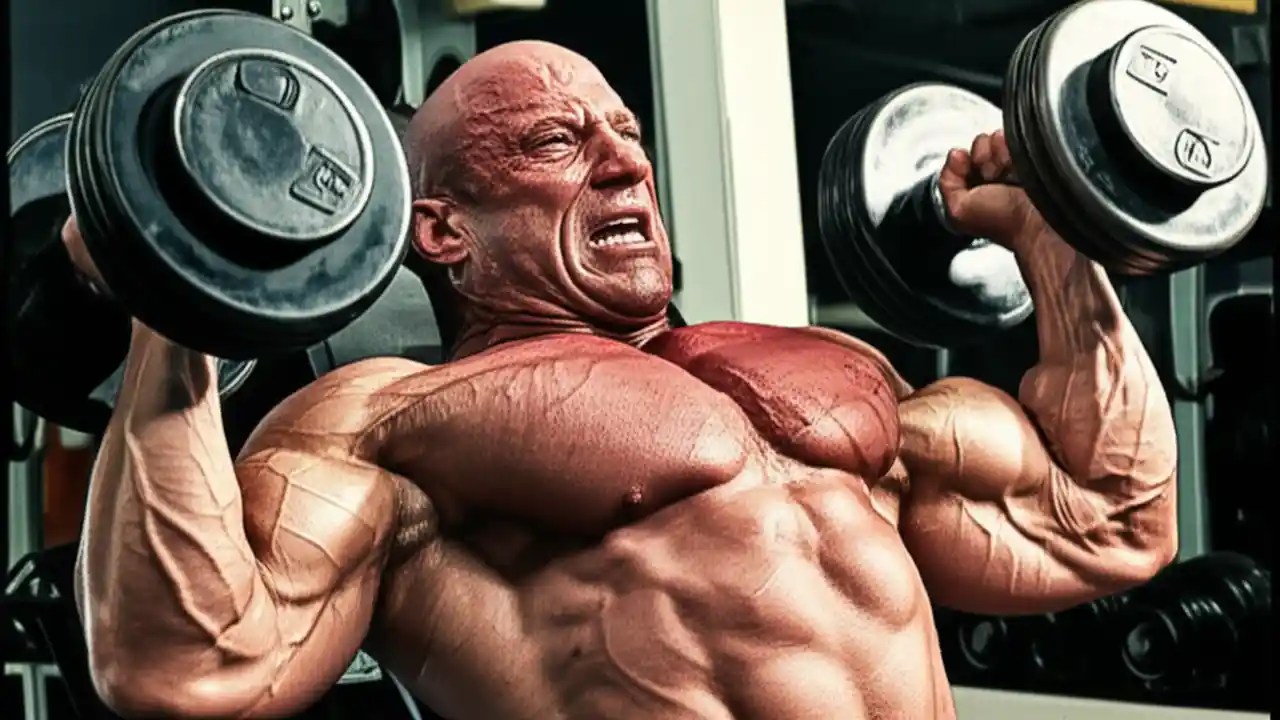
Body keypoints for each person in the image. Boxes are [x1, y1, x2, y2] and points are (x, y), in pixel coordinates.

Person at [66, 40, 1177, 719]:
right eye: (555, 141)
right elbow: (188, 667)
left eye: (627, 132)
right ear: (442, 228)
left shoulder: (832, 377)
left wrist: (1048, 240)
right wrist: (178, 284)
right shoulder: (386, 428)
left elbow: (1111, 518)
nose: (626, 161)